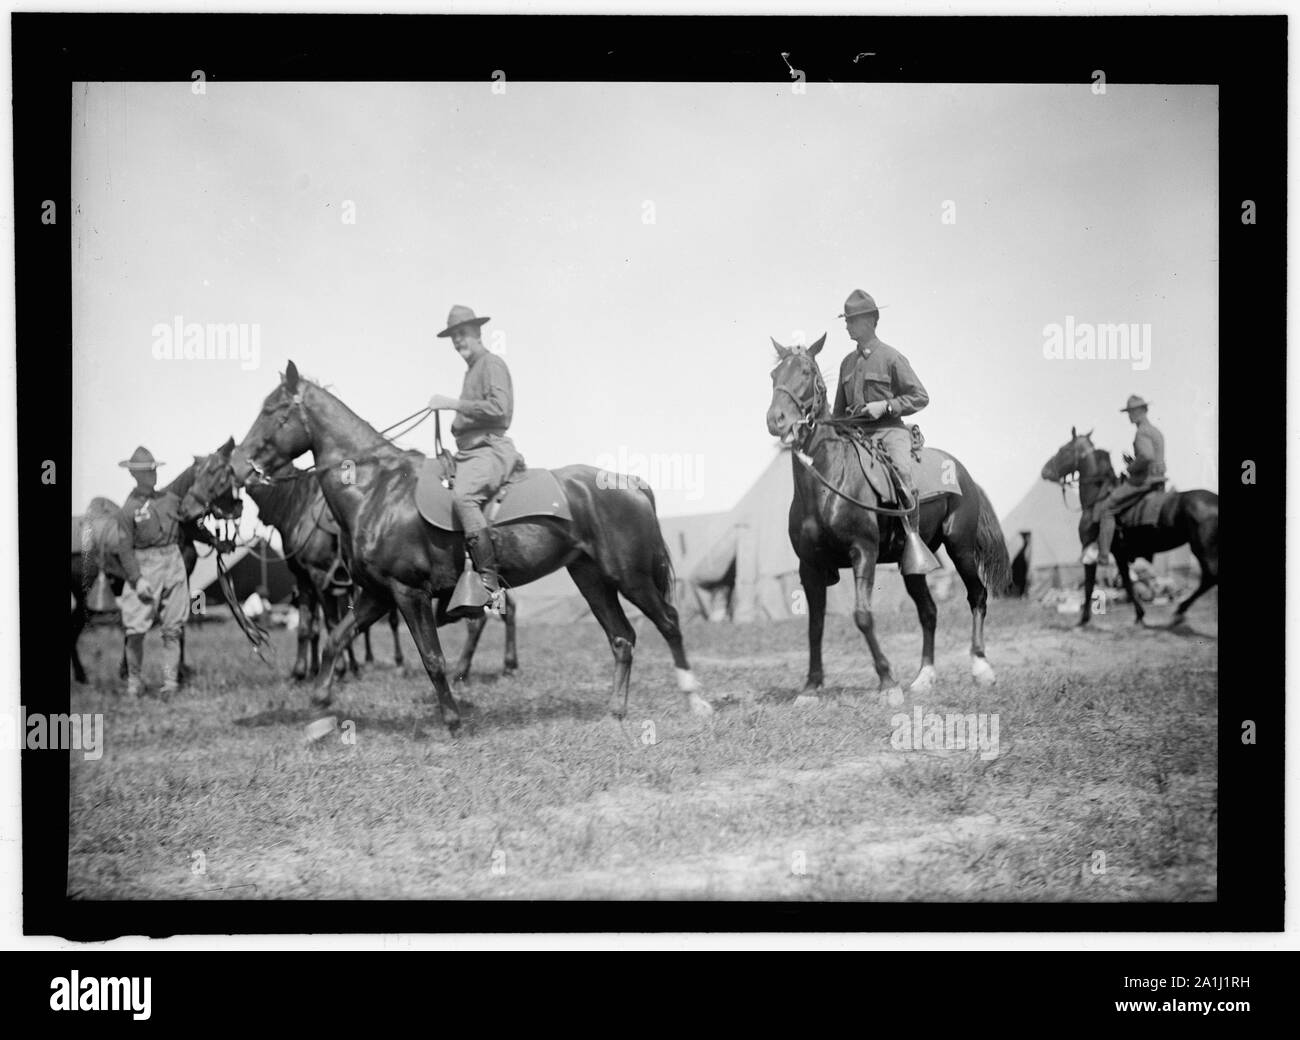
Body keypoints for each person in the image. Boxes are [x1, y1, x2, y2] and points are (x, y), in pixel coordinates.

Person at [831, 289, 940, 573]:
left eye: (852, 320)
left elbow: (920, 396)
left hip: (889, 432)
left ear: (870, 321)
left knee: (903, 476)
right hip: (855, 437)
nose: (847, 325)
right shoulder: (846, 363)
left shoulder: (891, 358)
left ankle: (912, 539)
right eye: (847, 320)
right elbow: (837, 415)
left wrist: (887, 406)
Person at [427, 305, 521, 617]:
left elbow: (500, 409)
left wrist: (453, 404)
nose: (458, 341)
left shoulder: (491, 363)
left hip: (491, 449)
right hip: (468, 452)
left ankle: (490, 585)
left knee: (463, 496)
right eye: (453, 336)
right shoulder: (471, 371)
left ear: (478, 333)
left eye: (462, 334)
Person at [115, 446, 191, 697]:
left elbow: (189, 524)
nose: (153, 476)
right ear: (135, 476)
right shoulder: (127, 510)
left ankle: (170, 684)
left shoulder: (170, 500)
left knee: (173, 629)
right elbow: (124, 549)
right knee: (135, 631)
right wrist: (137, 580)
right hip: (145, 567)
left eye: (154, 470)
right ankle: (134, 683)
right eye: (147, 472)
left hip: (173, 562)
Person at [1084, 394, 1167, 566]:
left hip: (1144, 481)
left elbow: (1146, 455)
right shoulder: (1155, 431)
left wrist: (1130, 468)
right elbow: (1152, 457)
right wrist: (1133, 461)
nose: (1129, 415)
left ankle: (1103, 556)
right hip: (1158, 477)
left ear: (1140, 411)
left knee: (1107, 508)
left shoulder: (1141, 432)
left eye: (1131, 412)